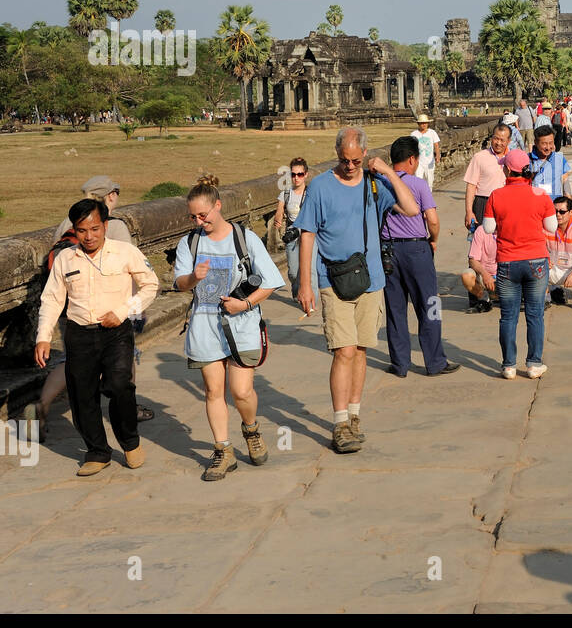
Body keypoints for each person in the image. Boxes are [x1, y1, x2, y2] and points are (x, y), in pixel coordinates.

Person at [295, 126, 421, 454]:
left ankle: (354, 416)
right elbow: (307, 233)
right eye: (343, 160)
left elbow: (411, 209)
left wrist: (390, 174)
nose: (349, 166)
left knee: (361, 350)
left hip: (370, 279)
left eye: (354, 160)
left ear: (364, 154)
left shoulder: (374, 183)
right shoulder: (321, 186)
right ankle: (338, 423)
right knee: (344, 351)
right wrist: (305, 283)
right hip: (332, 279)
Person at [34, 198, 159, 476]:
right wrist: (43, 337)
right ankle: (97, 451)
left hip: (116, 332)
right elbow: (52, 299)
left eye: (94, 229)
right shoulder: (66, 258)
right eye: (82, 230)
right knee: (82, 396)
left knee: (119, 386)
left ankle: (130, 442)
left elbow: (151, 285)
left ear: (104, 226)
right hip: (79, 333)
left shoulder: (125, 252)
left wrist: (124, 310)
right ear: (74, 231)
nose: (89, 236)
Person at [174, 175, 282, 480]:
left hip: (242, 324)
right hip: (205, 325)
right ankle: (223, 451)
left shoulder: (245, 239)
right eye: (193, 216)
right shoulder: (190, 243)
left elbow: (271, 282)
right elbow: (180, 284)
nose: (198, 221)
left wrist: (244, 304)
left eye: (203, 215)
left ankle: (251, 429)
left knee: (242, 391)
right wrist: (194, 277)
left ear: (217, 206)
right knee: (213, 391)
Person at [381, 136, 459, 378]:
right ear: (412, 159)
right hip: (416, 249)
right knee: (430, 305)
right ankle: (435, 361)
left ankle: (400, 363)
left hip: (388, 250)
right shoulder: (418, 184)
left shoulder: (379, 184)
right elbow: (432, 220)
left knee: (395, 309)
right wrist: (433, 239)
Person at [484, 150, 557, 378]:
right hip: (535, 259)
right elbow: (553, 227)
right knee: (535, 314)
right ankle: (534, 363)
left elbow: (487, 228)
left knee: (508, 315)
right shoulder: (540, 194)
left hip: (507, 260)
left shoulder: (496, 195)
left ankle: (508, 364)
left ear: (507, 169)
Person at [275, 156, 317, 307]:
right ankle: (297, 292)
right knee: (294, 271)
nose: (296, 178)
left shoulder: (312, 193)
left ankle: (313, 301)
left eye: (300, 174)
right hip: (292, 232)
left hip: (309, 231)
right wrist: (278, 219)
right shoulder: (286, 193)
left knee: (311, 269)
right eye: (293, 174)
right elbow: (279, 210)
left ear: (306, 174)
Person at [463, 123, 511, 230]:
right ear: (491, 138)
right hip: (483, 203)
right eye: (496, 139)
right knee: (481, 240)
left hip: (506, 204)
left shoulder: (512, 158)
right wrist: (469, 212)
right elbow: (471, 186)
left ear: (509, 141)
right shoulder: (479, 157)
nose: (498, 143)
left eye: (502, 140)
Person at [460, 222, 498, 313]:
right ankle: (484, 299)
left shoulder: (512, 229)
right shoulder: (481, 230)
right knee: (466, 276)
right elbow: (472, 260)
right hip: (484, 277)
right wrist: (485, 275)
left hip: (505, 276)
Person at [528, 126, 572, 199]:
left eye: (551, 143)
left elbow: (565, 180)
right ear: (535, 142)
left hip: (554, 205)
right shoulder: (527, 160)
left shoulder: (559, 158)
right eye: (544, 144)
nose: (548, 147)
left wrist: (568, 199)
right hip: (534, 205)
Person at [411, 114, 442, 188]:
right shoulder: (414, 134)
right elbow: (411, 147)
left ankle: (428, 197)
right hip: (418, 162)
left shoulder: (432, 133)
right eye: (422, 123)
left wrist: (438, 155)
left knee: (429, 182)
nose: (424, 125)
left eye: (425, 123)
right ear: (418, 124)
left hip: (429, 162)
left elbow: (436, 145)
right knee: (418, 182)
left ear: (428, 123)